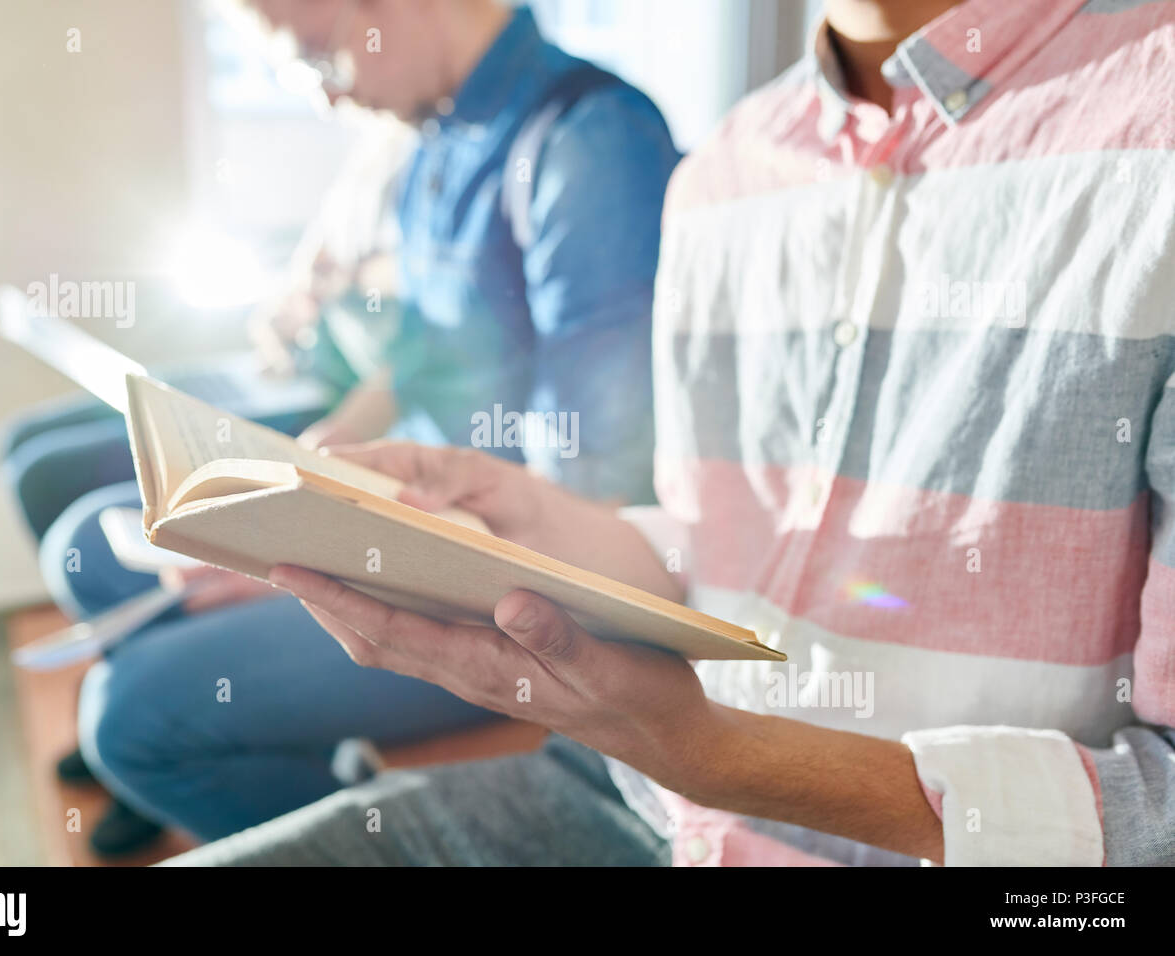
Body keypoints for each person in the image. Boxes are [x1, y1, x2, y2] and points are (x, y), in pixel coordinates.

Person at [166, 0, 1175, 866]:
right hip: (651, 803)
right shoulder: (727, 174)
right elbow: (718, 550)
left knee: (146, 721)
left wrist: (717, 751)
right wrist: (530, 521)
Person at [16, 0, 680, 855]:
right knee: (97, 552)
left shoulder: (587, 143)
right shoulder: (437, 139)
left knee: (128, 719)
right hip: (408, 512)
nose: (326, 97)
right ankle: (263, 752)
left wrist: (324, 550)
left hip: (501, 586)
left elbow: (591, 488)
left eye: (323, 57)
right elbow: (422, 359)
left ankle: (342, 798)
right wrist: (309, 469)